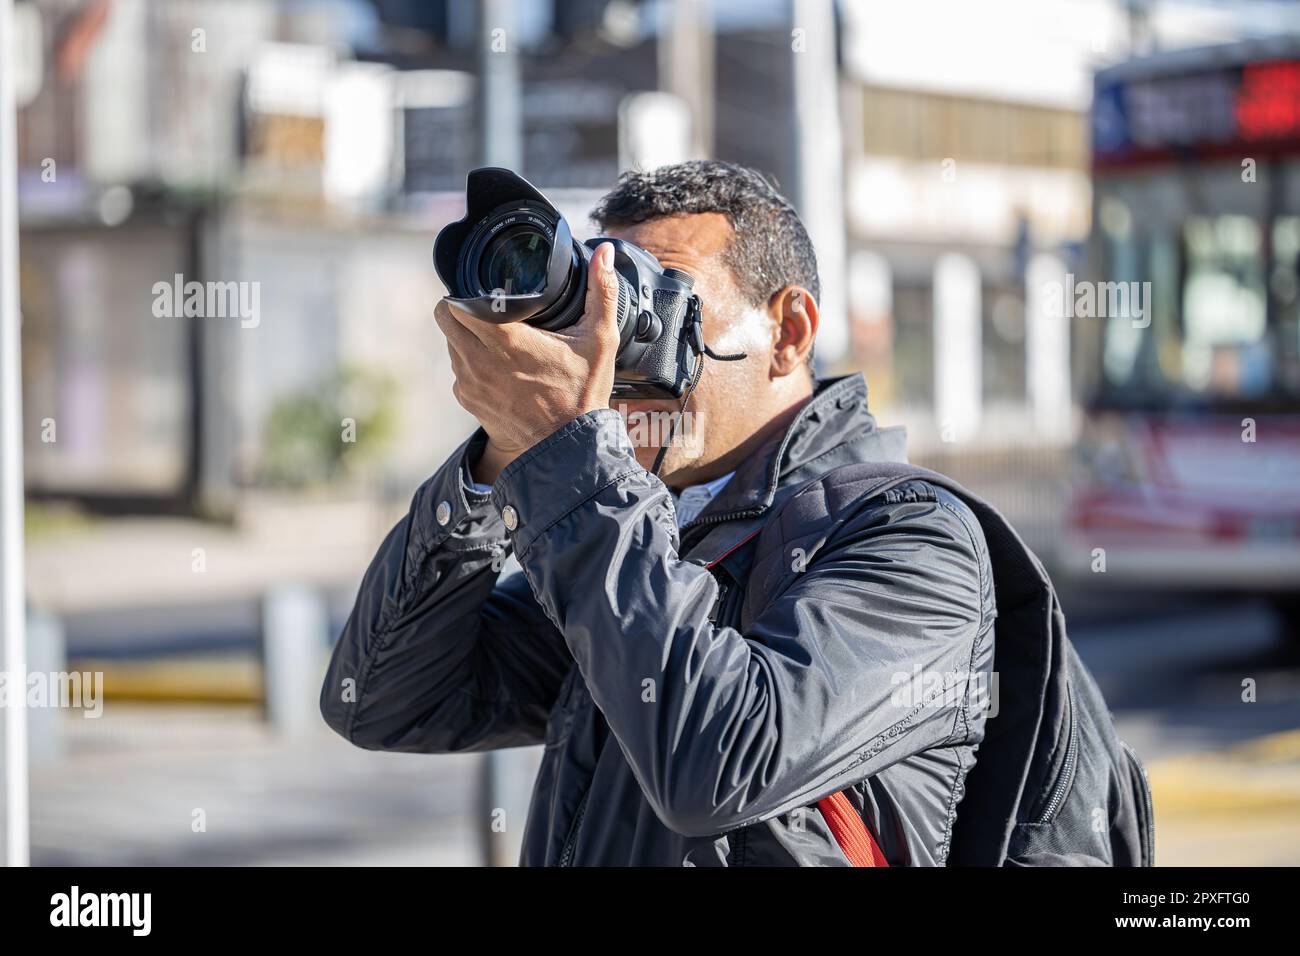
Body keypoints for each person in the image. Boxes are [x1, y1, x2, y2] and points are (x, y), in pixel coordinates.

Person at [320, 160, 996, 866]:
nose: (615, 350)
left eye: (660, 304)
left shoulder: (915, 540)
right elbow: (377, 700)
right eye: (601, 305)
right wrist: (501, 458)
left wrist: (569, 453)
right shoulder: (645, 534)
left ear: (788, 332)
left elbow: (717, 766)